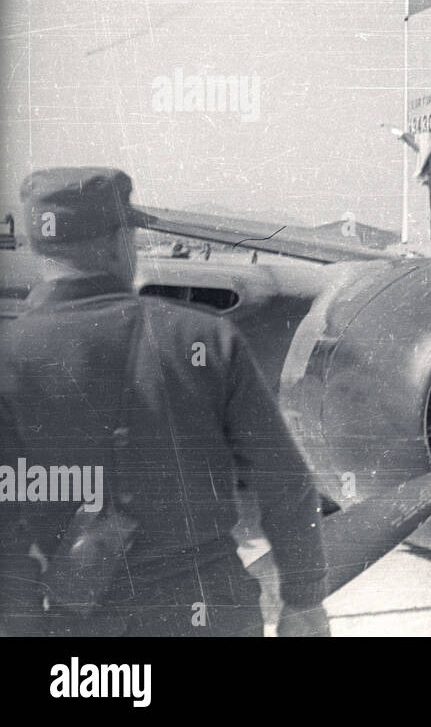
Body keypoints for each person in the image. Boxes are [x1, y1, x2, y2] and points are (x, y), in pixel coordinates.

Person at [0, 168, 329, 637]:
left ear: (38, 246)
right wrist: (304, 599)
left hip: (85, 625)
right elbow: (285, 478)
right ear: (120, 241)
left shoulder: (9, 356)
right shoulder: (209, 338)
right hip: (213, 612)